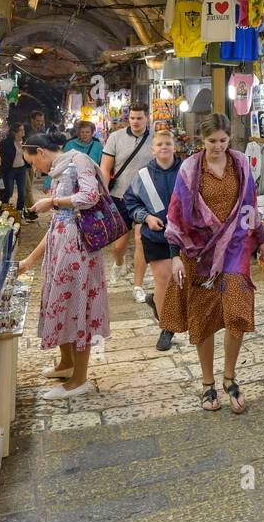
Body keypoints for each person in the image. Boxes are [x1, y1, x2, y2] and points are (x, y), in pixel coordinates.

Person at [166, 113, 264, 413]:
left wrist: (260, 239)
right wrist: (174, 256)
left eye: (223, 141)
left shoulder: (241, 165)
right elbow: (175, 213)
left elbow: (250, 205)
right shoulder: (188, 169)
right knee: (205, 317)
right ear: (202, 140)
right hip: (199, 253)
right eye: (212, 141)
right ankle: (208, 383)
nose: (218, 146)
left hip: (235, 247)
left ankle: (229, 377)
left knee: (237, 311)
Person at [15, 133, 111, 399]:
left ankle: (79, 379)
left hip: (78, 250)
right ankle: (67, 364)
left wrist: (53, 202)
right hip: (62, 247)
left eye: (33, 162)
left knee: (77, 306)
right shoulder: (59, 172)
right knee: (61, 303)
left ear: (41, 152)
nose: (35, 169)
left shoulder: (77, 161)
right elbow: (58, 222)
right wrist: (30, 261)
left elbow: (90, 197)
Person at [122, 129, 183, 350]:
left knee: (181, 281)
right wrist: (146, 217)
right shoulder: (143, 175)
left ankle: (157, 302)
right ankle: (166, 328)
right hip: (156, 234)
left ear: (174, 146)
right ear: (153, 149)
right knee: (163, 279)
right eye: (160, 144)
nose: (164, 147)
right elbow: (131, 202)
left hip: (184, 235)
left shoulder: (187, 171)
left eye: (168, 143)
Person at [101, 104, 153, 302]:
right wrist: (104, 193)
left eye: (139, 118)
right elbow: (106, 168)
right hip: (120, 195)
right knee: (118, 245)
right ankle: (119, 263)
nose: (135, 122)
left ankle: (137, 286)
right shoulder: (115, 138)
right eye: (132, 118)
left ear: (146, 118)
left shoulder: (155, 138)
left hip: (145, 198)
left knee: (141, 240)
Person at [0, 122, 36, 220]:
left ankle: (20, 212)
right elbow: (4, 156)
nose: (23, 131)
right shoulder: (7, 143)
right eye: (21, 130)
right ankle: (3, 210)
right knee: (9, 191)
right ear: (15, 132)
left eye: (23, 129)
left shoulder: (25, 141)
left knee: (22, 192)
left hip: (22, 169)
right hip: (10, 170)